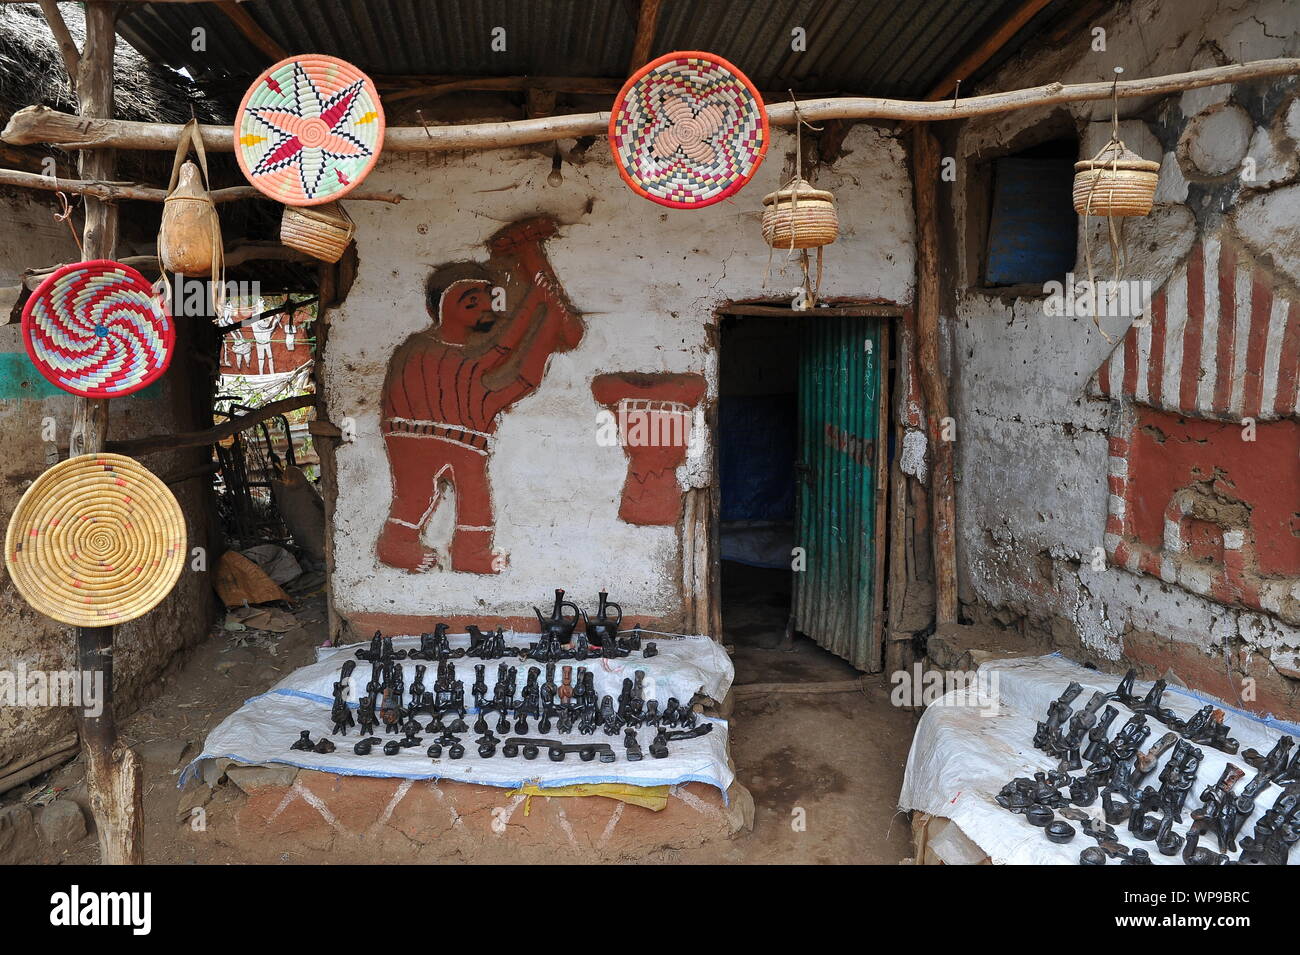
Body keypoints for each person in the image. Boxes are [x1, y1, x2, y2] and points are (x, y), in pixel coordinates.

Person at [376, 217, 583, 574]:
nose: (484, 310)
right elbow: (493, 355)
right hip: (417, 433)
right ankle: (396, 543)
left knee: (477, 499)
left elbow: (492, 363)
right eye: (470, 303)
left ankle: (470, 553)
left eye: (486, 302)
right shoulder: (423, 346)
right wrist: (534, 300)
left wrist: (540, 316)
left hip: (468, 428)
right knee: (417, 495)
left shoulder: (465, 352)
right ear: (439, 308)